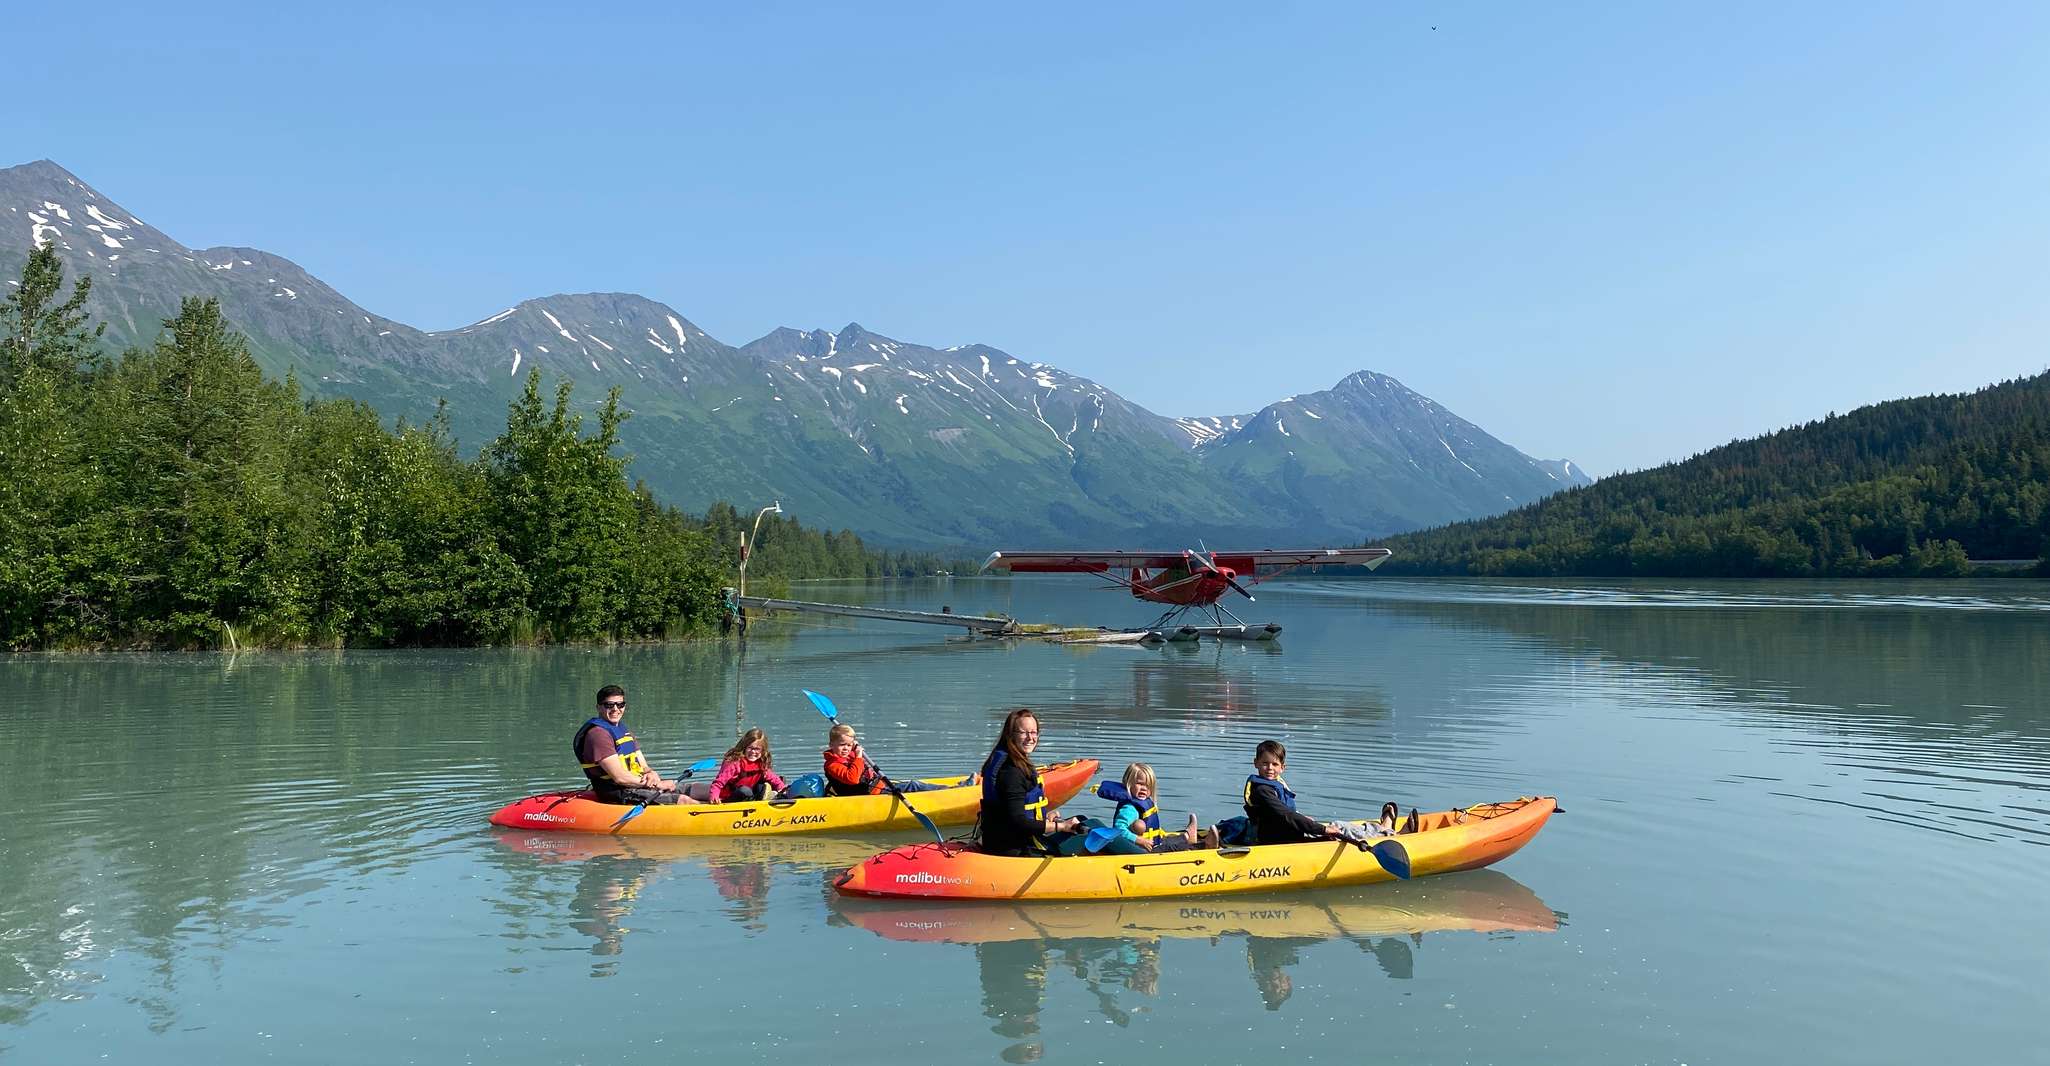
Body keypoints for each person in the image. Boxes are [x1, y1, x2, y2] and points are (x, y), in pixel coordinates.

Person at [977, 708, 1084, 856]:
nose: (1030, 738)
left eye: (1033, 732)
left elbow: (1014, 813)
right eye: (1023, 732)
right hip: (1013, 849)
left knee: (1083, 822)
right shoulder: (1011, 772)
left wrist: (1045, 818)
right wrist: (1061, 826)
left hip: (1011, 841)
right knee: (1083, 835)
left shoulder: (1014, 763)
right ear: (1011, 736)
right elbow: (1018, 822)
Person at [574, 684, 698, 805]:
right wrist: (657, 784)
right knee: (684, 800)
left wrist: (651, 773)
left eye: (620, 705)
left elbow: (643, 766)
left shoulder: (624, 731)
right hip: (618, 791)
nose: (615, 709)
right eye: (609, 705)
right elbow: (620, 777)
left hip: (638, 785)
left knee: (699, 790)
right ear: (599, 707)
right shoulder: (598, 735)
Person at [1241, 739, 1357, 845]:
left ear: (1282, 767)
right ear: (1256, 763)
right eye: (1265, 763)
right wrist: (1323, 829)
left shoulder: (1275, 784)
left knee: (1339, 829)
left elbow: (1286, 813)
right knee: (1333, 836)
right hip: (1274, 841)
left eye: (1275, 764)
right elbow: (1286, 814)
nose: (1270, 768)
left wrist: (1303, 819)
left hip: (1285, 833)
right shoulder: (1262, 791)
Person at [1081, 762, 1214, 854]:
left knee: (1166, 841)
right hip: (1139, 848)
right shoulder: (1130, 808)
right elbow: (1118, 830)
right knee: (1171, 848)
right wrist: (1139, 840)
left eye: (1148, 785)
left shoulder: (1141, 804)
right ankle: (1203, 845)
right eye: (1139, 784)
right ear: (1128, 784)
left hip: (1148, 842)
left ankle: (1187, 836)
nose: (1144, 788)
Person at [822, 723, 946, 796]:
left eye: (849, 745)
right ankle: (950, 792)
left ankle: (952, 789)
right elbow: (853, 778)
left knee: (912, 785)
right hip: (872, 794)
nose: (846, 748)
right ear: (831, 745)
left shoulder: (849, 755)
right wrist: (858, 756)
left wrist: (855, 750)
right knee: (913, 785)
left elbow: (857, 766)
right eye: (842, 744)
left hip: (878, 786)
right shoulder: (832, 765)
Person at [709, 727, 787, 803]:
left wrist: (783, 790)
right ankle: (762, 799)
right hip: (730, 797)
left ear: (763, 751)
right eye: (750, 748)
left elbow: (774, 779)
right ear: (744, 747)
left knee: (764, 786)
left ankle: (774, 796)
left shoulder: (761, 763)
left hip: (749, 796)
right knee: (745, 791)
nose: (753, 752)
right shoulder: (735, 763)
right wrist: (714, 796)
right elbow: (719, 782)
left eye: (757, 749)